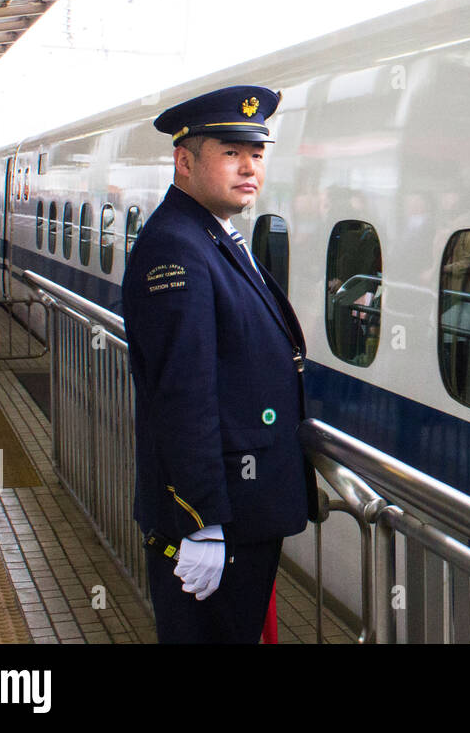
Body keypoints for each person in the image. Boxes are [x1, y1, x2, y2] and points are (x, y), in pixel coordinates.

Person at [122, 85, 316, 643]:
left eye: (256, 154)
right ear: (184, 161)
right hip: (218, 522)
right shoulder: (176, 248)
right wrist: (201, 521)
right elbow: (184, 393)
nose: (249, 167)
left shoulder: (211, 235)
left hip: (240, 513)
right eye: (230, 153)